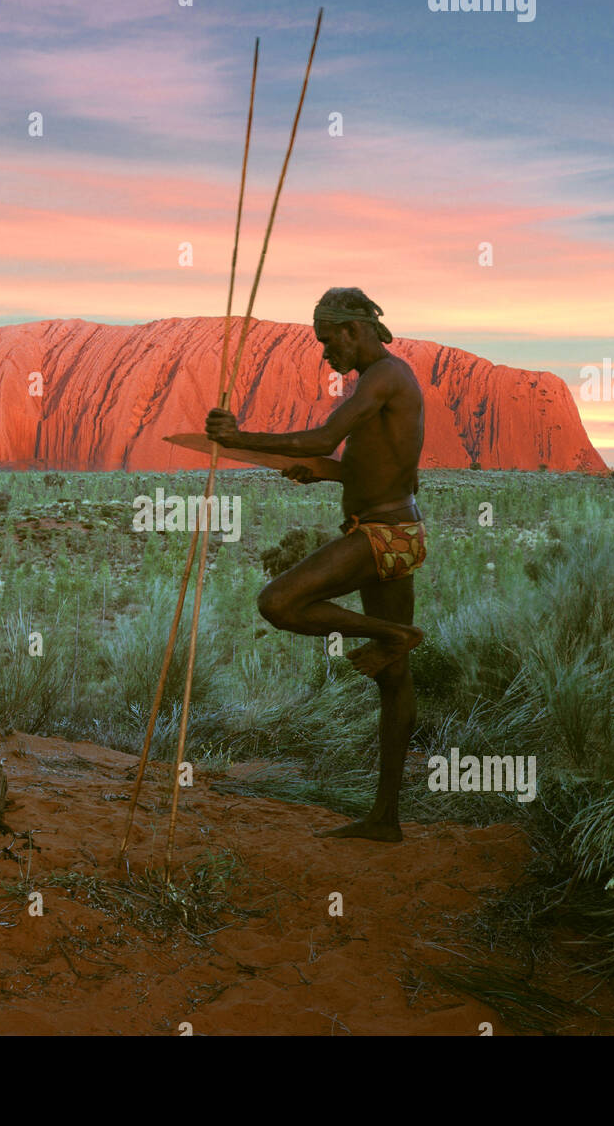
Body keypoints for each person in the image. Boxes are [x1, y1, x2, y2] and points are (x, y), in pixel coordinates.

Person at [205, 287, 425, 841]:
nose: (326, 353)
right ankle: (385, 820)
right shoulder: (386, 382)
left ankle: (393, 635)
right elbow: (369, 466)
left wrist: (239, 437)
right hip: (396, 532)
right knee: (395, 683)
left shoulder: (384, 376)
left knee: (278, 603)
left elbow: (327, 437)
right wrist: (322, 473)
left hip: (380, 535)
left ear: (353, 330)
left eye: (329, 340)